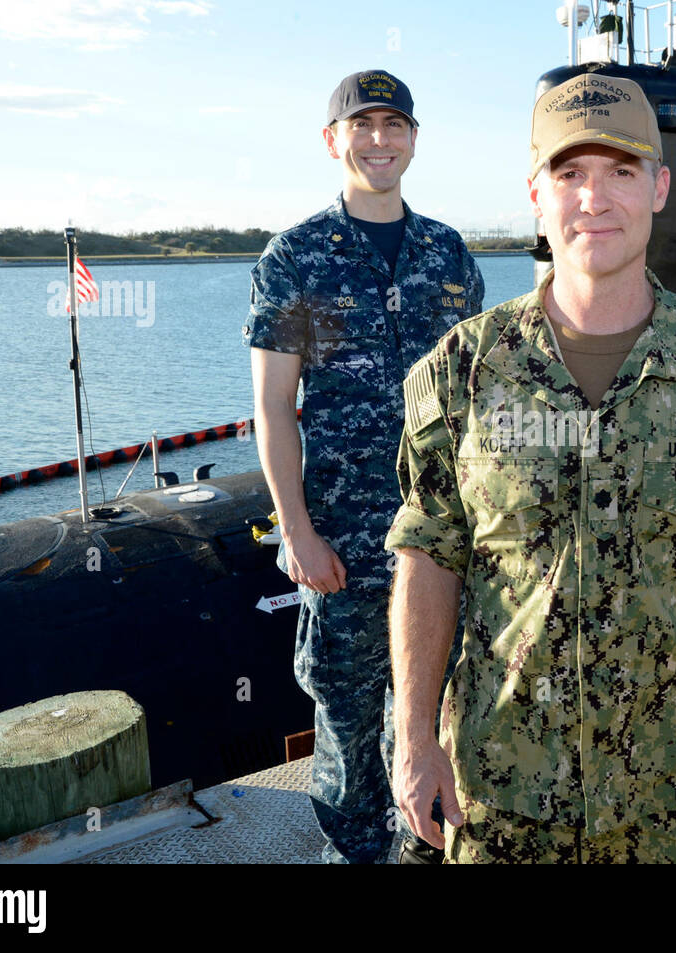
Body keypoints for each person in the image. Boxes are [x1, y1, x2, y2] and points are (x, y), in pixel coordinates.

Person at [386, 74, 676, 863]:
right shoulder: (461, 371)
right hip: (502, 794)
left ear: (660, 186)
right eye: (570, 173)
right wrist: (414, 739)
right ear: (536, 195)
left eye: (621, 171)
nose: (595, 198)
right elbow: (428, 559)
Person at [244, 69, 484, 864]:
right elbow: (276, 407)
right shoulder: (295, 258)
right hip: (344, 549)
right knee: (347, 740)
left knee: (439, 733)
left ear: (414, 139)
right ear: (333, 140)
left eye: (394, 125)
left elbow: (478, 404)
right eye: (363, 124)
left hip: (444, 546)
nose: (379, 139)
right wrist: (296, 530)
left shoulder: (450, 255)